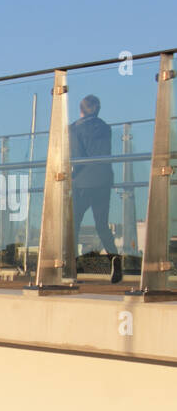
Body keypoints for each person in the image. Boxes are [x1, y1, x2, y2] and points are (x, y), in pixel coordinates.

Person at [70, 94, 121, 282]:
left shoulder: (74, 129)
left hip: (82, 183)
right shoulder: (106, 128)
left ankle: (72, 268)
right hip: (104, 180)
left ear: (81, 110)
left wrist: (71, 176)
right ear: (97, 109)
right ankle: (115, 260)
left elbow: (77, 157)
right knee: (102, 225)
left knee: (73, 226)